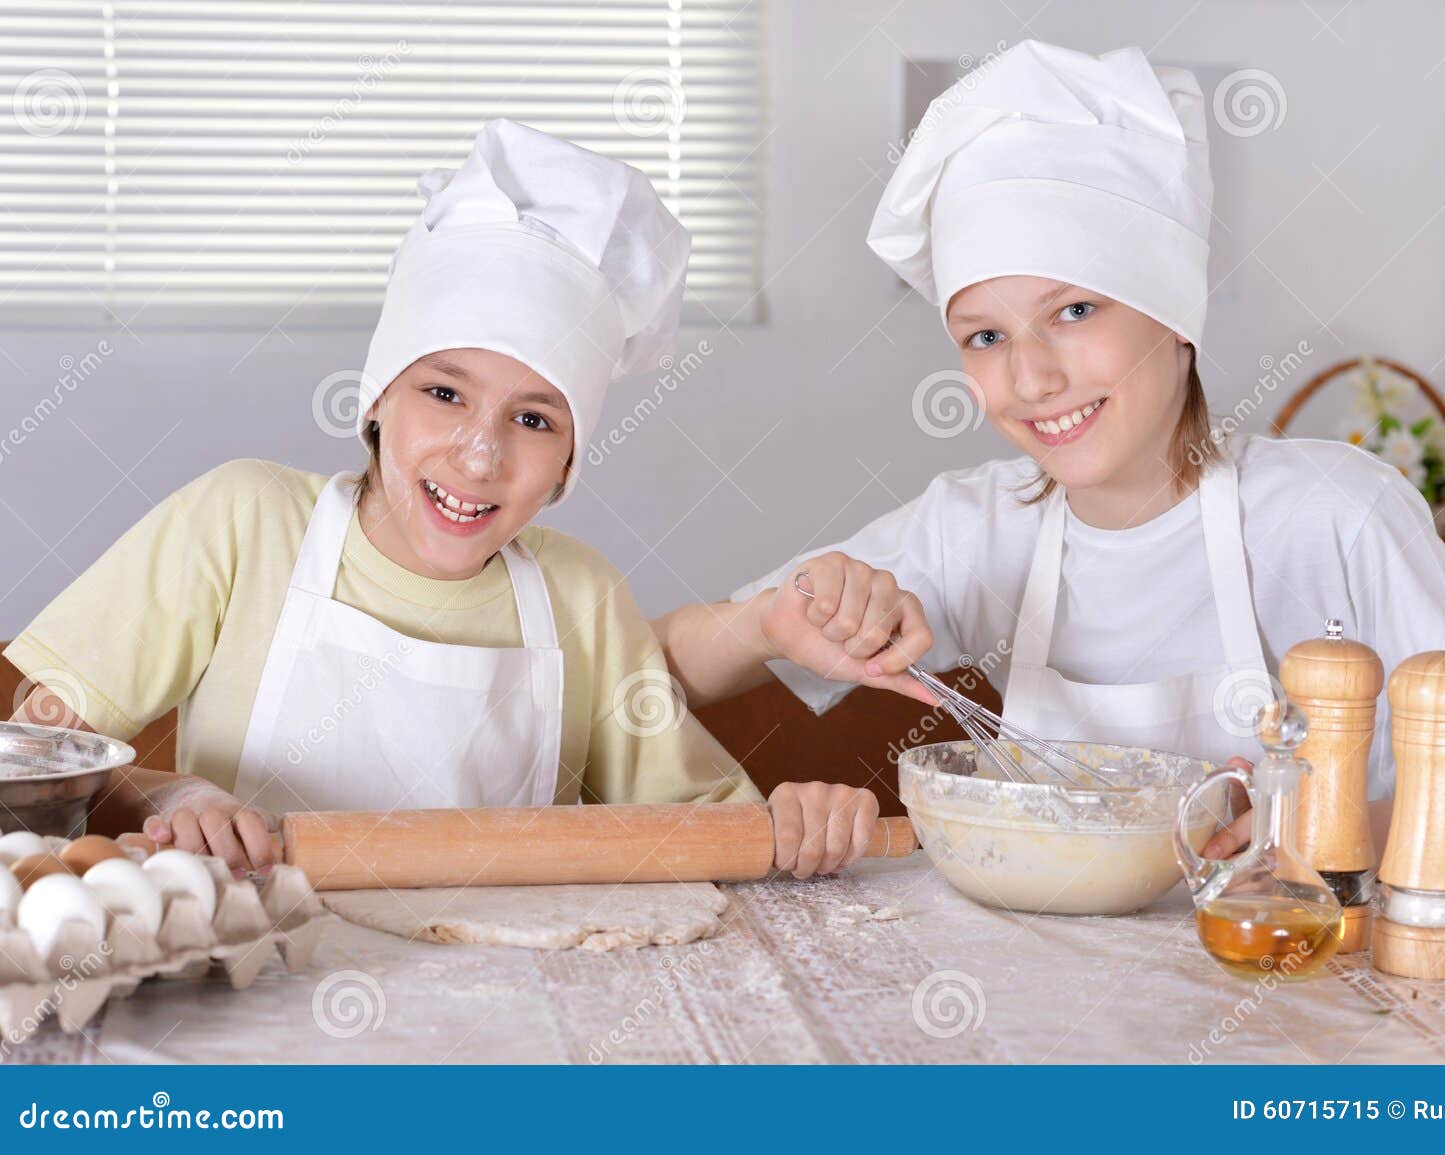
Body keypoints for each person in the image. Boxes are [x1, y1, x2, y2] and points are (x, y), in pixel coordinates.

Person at [650, 42, 1445, 872]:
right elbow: (648, 670)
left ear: (1173, 313)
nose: (1031, 377)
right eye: (983, 336)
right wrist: (776, 624)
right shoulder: (977, 525)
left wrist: (1320, 828)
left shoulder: (1334, 513)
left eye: (1074, 310)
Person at [7, 119, 878, 880]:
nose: (480, 452)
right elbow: (41, 752)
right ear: (378, 396)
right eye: (444, 393)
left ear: (571, 459)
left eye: (533, 417)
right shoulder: (243, 522)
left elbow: (697, 833)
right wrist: (178, 794)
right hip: (259, 981)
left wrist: (797, 823)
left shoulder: (582, 597)